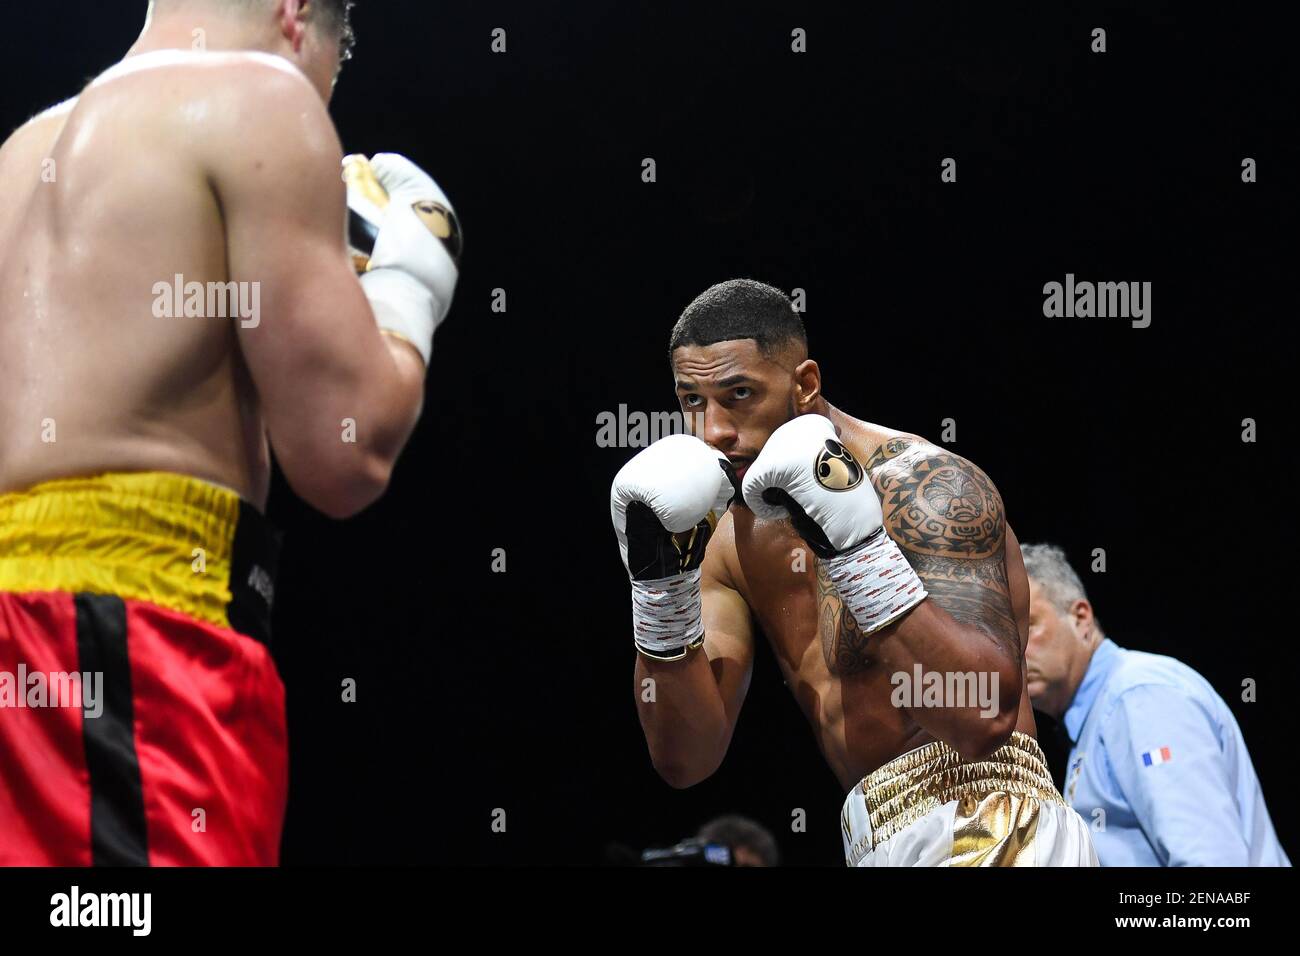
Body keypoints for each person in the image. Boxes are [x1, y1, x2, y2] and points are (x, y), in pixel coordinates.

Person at [0, 0, 459, 865]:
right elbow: (346, 452)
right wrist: (409, 279)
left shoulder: (22, 156)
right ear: (295, 16)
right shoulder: (262, 98)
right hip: (135, 647)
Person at [610, 279, 1096, 866]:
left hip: (988, 815)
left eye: (739, 394)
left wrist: (856, 548)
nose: (712, 430)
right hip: (874, 836)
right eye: (692, 401)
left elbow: (983, 718)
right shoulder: (724, 545)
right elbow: (685, 760)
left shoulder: (924, 488)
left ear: (805, 384)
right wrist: (659, 591)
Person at [1022, 543, 1291, 866]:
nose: (1014, 649)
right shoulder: (1097, 715)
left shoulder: (1138, 695)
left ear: (1081, 618)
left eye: (1026, 626)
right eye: (1002, 637)